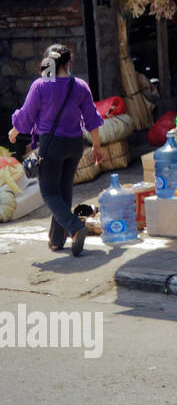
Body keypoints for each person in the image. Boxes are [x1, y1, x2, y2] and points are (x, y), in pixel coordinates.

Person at [8, 45, 104, 256]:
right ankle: (56, 241)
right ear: (69, 63)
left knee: (50, 192)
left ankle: (75, 228)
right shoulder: (80, 86)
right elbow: (91, 119)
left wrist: (14, 131)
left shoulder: (41, 86)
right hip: (75, 146)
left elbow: (26, 116)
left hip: (52, 145)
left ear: (49, 63)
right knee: (64, 191)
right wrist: (97, 147)